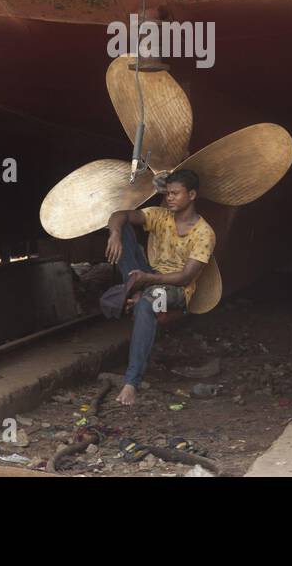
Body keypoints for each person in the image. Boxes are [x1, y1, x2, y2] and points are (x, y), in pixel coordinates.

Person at [104, 169, 214, 406]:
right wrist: (114, 233)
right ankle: (134, 289)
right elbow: (119, 214)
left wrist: (147, 281)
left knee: (147, 304)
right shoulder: (160, 216)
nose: (170, 197)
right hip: (149, 275)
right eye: (167, 193)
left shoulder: (204, 233)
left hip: (176, 290)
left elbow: (185, 278)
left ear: (192, 195)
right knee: (123, 225)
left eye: (175, 193)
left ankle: (131, 382)